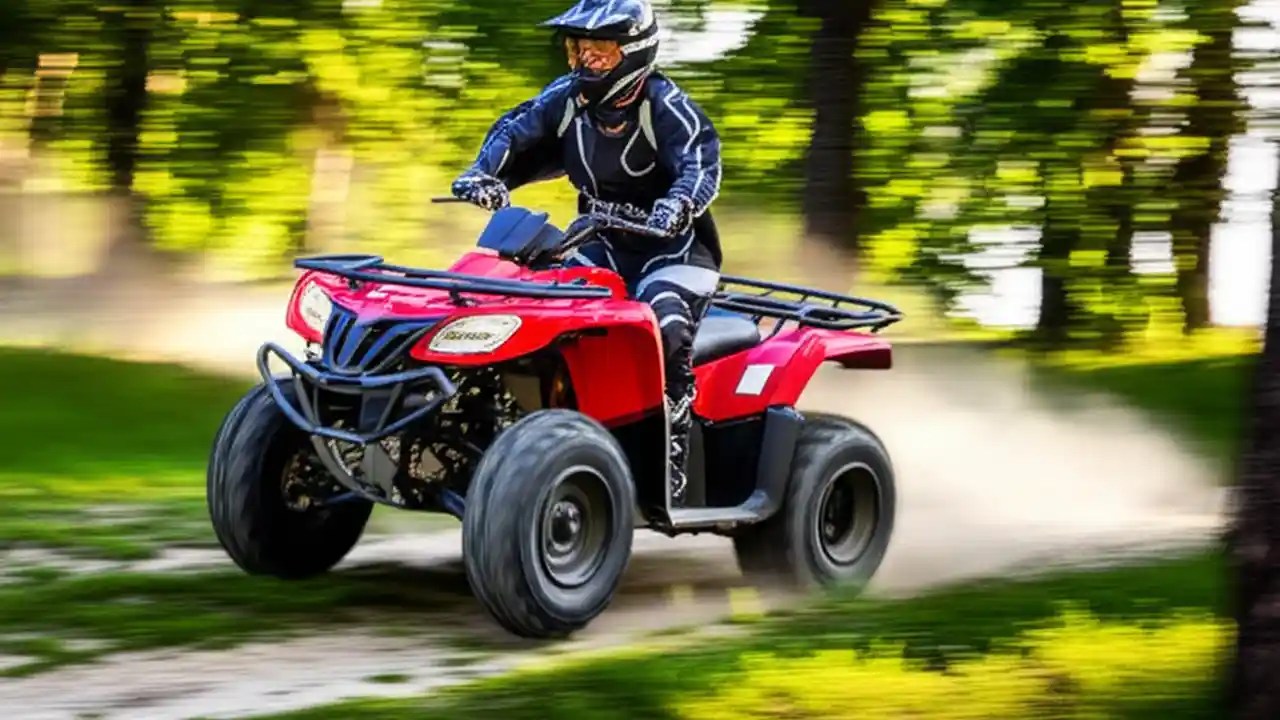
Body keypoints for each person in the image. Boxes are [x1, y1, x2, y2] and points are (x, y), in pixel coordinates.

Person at [450, 0, 723, 509]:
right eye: (577, 50)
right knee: (537, 303)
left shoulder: (667, 106)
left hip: (677, 251)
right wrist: (482, 173)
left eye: (597, 52)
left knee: (662, 319)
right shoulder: (567, 97)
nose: (583, 62)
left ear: (632, 53)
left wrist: (677, 206)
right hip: (600, 241)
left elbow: (700, 165)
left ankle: (676, 451)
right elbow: (516, 130)